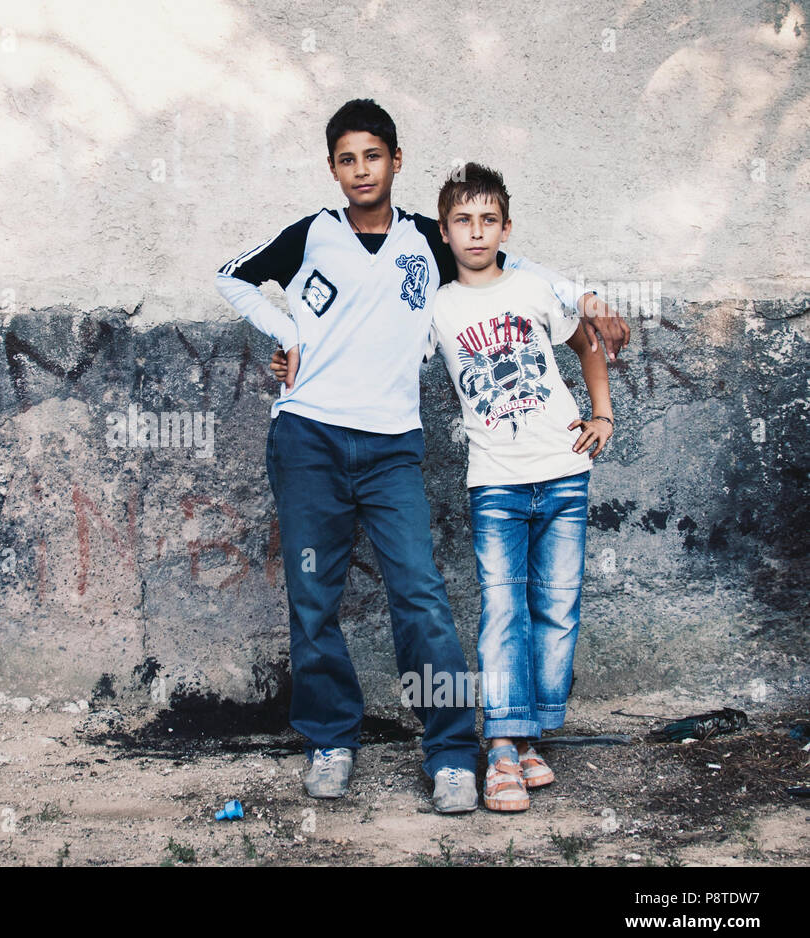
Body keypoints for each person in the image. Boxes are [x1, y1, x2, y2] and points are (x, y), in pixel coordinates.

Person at [219, 98, 628, 813]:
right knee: (314, 598)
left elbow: (503, 262)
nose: (361, 169)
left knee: (423, 598)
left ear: (396, 161)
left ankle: (447, 751)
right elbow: (231, 277)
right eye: (347, 159)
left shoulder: (427, 241)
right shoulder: (311, 234)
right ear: (333, 169)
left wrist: (585, 297)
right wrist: (287, 335)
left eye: (373, 155)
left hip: (390, 447)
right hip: (307, 435)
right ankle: (331, 740)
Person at [425, 162, 612, 810]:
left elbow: (588, 341)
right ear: (444, 231)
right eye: (462, 221)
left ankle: (528, 735)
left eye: (487, 220)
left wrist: (602, 412)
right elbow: (386, 347)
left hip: (563, 472)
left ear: (506, 227)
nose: (475, 232)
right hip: (496, 484)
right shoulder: (439, 306)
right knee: (504, 611)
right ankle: (502, 748)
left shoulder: (532, 287)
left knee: (557, 609)